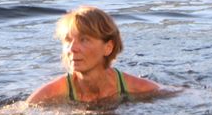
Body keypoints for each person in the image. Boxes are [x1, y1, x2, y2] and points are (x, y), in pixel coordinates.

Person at [27, 6, 162, 105]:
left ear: (108, 47)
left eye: (84, 39)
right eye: (68, 40)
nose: (72, 48)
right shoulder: (47, 96)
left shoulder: (141, 89)